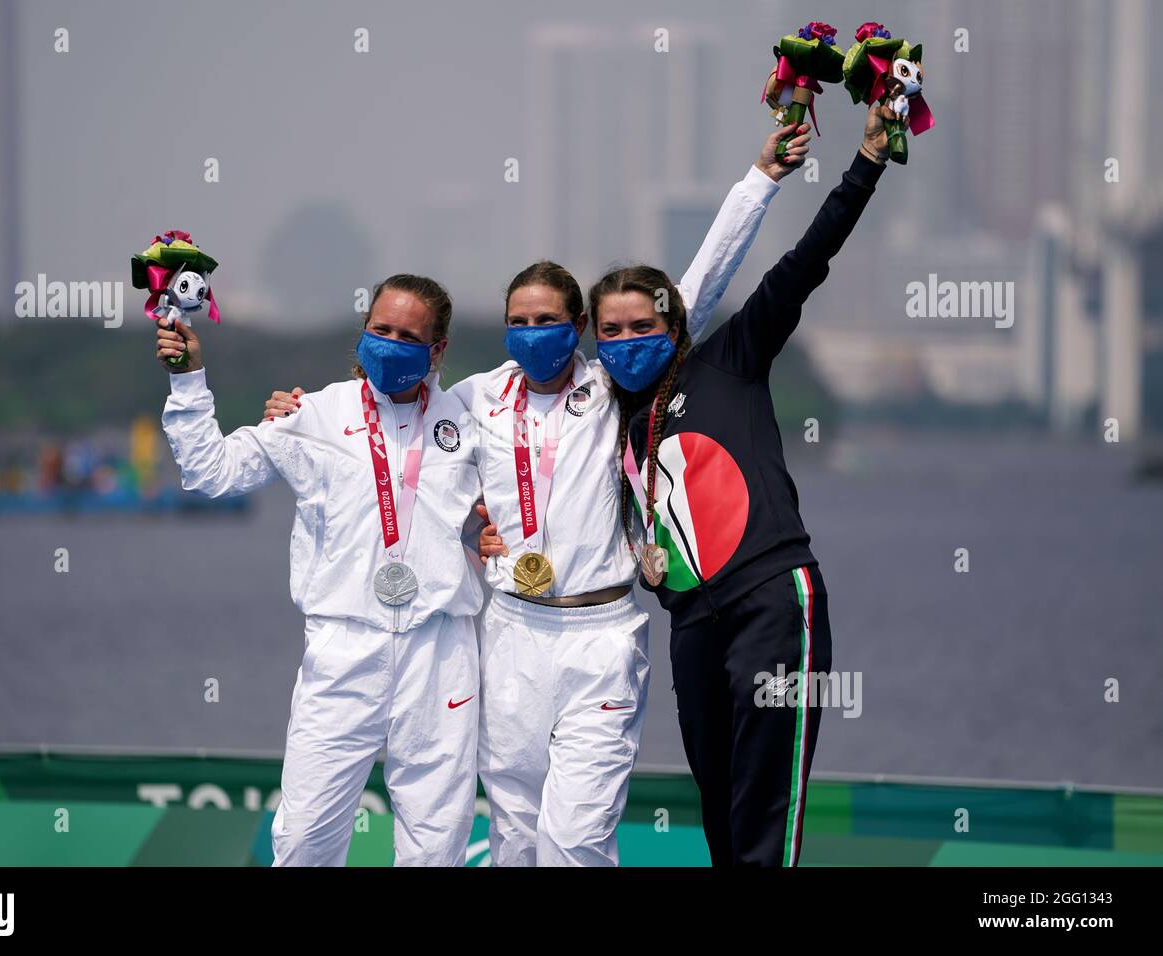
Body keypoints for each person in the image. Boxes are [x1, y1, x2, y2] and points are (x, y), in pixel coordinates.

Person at [264, 124, 812, 866]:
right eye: (517, 322)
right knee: (518, 839)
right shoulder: (472, 401)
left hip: (600, 632)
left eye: (547, 321)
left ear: (578, 327)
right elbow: (390, 427)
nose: (531, 334)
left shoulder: (612, 381)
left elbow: (700, 282)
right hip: (510, 635)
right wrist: (296, 412)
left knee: (574, 842)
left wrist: (761, 179)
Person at [585, 102, 897, 866]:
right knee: (722, 816)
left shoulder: (729, 358)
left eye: (643, 326)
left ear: (675, 327)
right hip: (692, 621)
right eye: (611, 331)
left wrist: (866, 164)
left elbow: (804, 263)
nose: (628, 342)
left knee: (765, 813)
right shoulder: (608, 422)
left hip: (769, 599)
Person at [158, 274, 484, 866]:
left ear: (437, 350)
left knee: (437, 845)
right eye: (379, 329)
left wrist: (491, 536)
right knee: (304, 839)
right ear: (361, 334)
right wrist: (188, 380)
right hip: (342, 648)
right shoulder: (313, 414)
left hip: (441, 652)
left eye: (407, 335)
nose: (389, 342)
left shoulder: (469, 423)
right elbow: (213, 473)